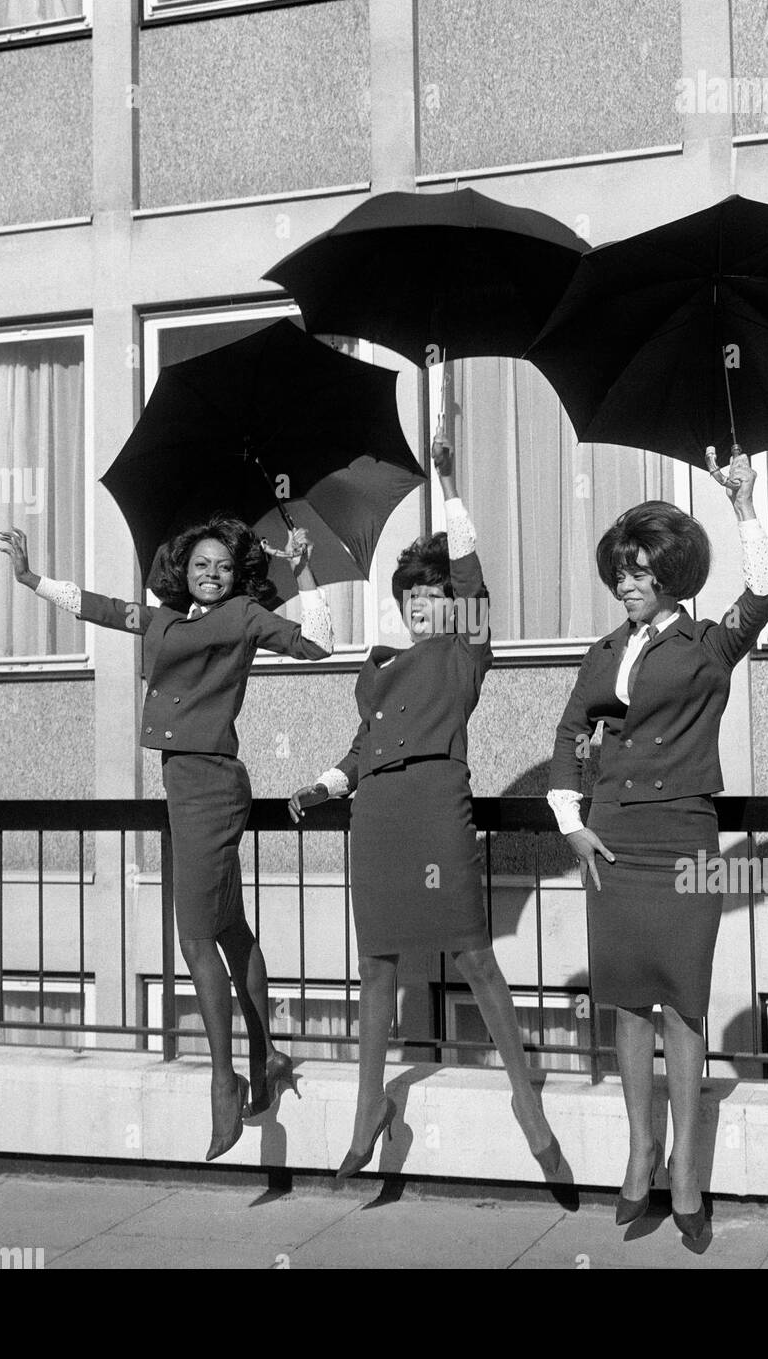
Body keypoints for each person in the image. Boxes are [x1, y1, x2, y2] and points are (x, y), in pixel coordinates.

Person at [0, 516, 333, 1159]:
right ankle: (262, 1061)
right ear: (185, 570)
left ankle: (224, 1080)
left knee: (194, 936)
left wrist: (303, 568)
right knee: (229, 930)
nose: (212, 575)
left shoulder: (244, 615)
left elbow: (317, 644)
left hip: (209, 784)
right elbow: (99, 608)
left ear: (239, 576)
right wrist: (30, 578)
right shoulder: (164, 620)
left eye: (224, 567)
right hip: (183, 785)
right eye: (202, 565)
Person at [289, 431, 561, 1179]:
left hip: (437, 803)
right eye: (412, 597)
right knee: (375, 968)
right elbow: (360, 749)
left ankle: (524, 1099)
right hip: (373, 814)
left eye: (434, 595)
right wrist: (321, 786)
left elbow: (475, 584)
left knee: (474, 956)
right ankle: (366, 1109)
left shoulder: (465, 652)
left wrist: (447, 481)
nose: (424, 606)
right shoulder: (379, 667)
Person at [547, 452, 768, 1247]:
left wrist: (742, 504)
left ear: (671, 573)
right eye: (620, 571)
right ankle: (640, 1152)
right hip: (609, 839)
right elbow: (570, 733)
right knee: (625, 1002)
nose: (626, 583)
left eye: (640, 570)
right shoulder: (604, 649)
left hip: (682, 835)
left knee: (682, 1001)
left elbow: (762, 593)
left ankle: (685, 1171)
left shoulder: (709, 644)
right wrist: (569, 819)